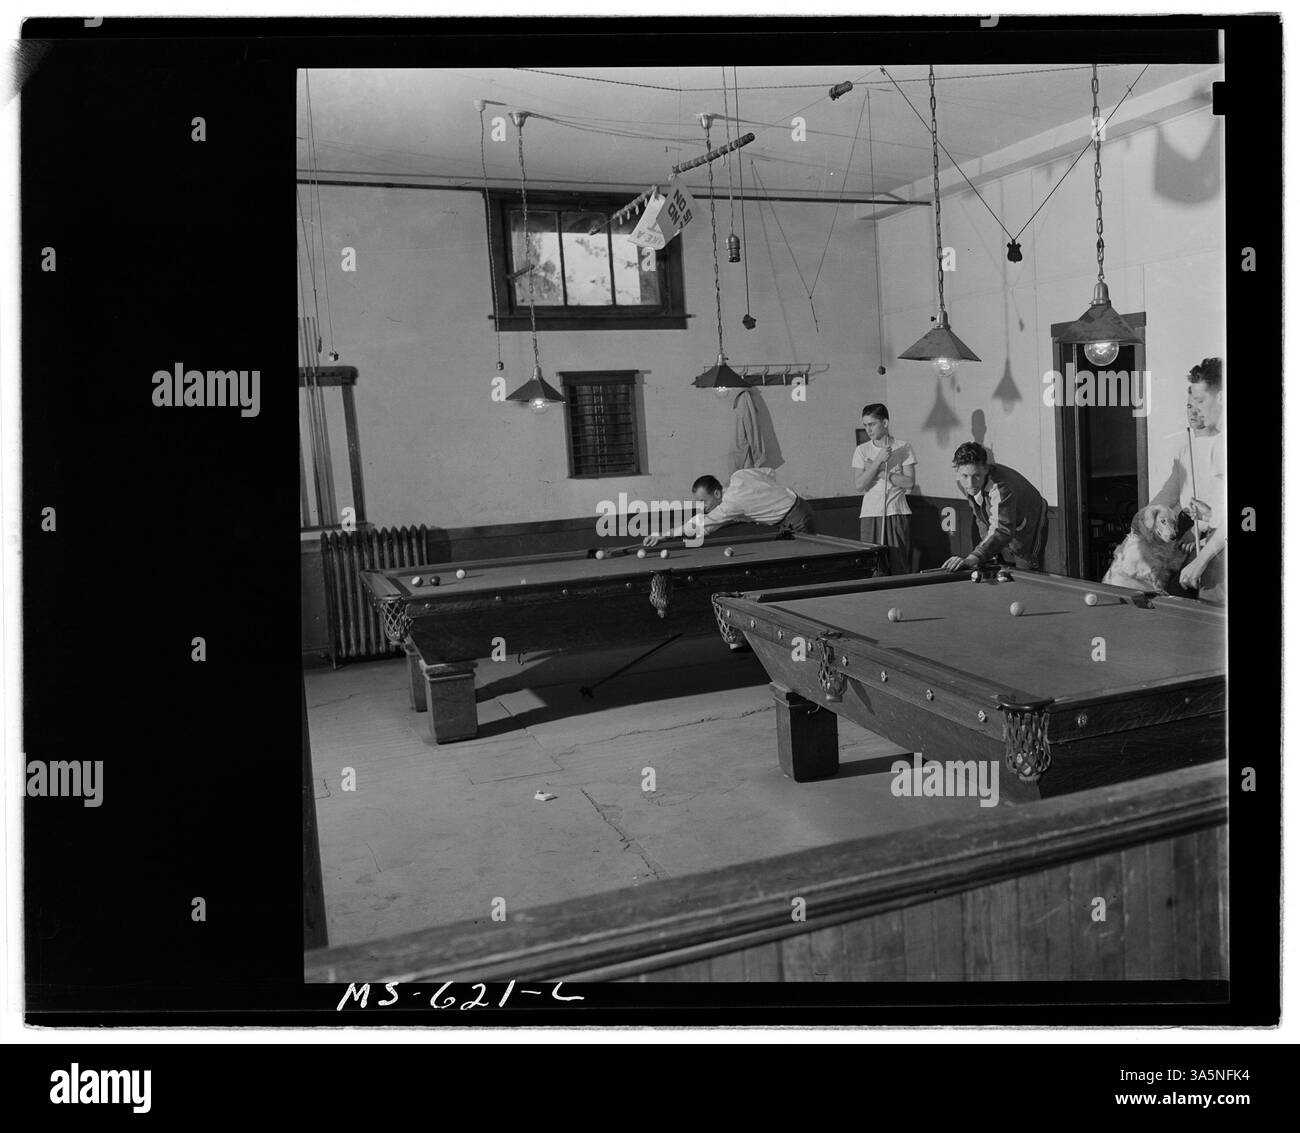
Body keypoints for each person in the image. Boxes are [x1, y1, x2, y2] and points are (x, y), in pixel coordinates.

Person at [1150, 357, 1225, 603]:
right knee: (1173, 599)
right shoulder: (1186, 449)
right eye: (1189, 404)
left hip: (1216, 546)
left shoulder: (1222, 445)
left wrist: (1200, 542)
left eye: (1201, 402)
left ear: (1221, 398)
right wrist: (1145, 520)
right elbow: (1170, 492)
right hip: (1192, 535)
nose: (1193, 411)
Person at [941, 442, 1048, 572]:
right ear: (957, 471)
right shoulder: (963, 483)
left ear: (986, 469)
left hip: (1029, 516)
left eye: (976, 476)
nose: (970, 483)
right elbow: (980, 517)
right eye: (965, 476)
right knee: (994, 559)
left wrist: (972, 558)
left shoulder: (1001, 486)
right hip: (1003, 521)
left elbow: (1002, 530)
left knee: (1024, 563)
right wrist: (983, 554)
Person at [642, 468, 815, 546]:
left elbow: (701, 524)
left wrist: (664, 534)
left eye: (704, 501)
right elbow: (769, 472)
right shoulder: (738, 475)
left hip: (796, 519)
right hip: (798, 508)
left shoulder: (730, 504)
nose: (703, 506)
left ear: (717, 493)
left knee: (805, 563)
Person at [851, 403, 915, 574]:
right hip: (870, 513)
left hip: (897, 512)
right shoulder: (861, 450)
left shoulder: (903, 447)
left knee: (899, 565)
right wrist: (879, 460)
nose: (868, 429)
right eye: (865, 425)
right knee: (872, 567)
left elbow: (909, 483)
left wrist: (880, 472)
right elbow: (859, 485)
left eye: (872, 424)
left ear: (885, 423)